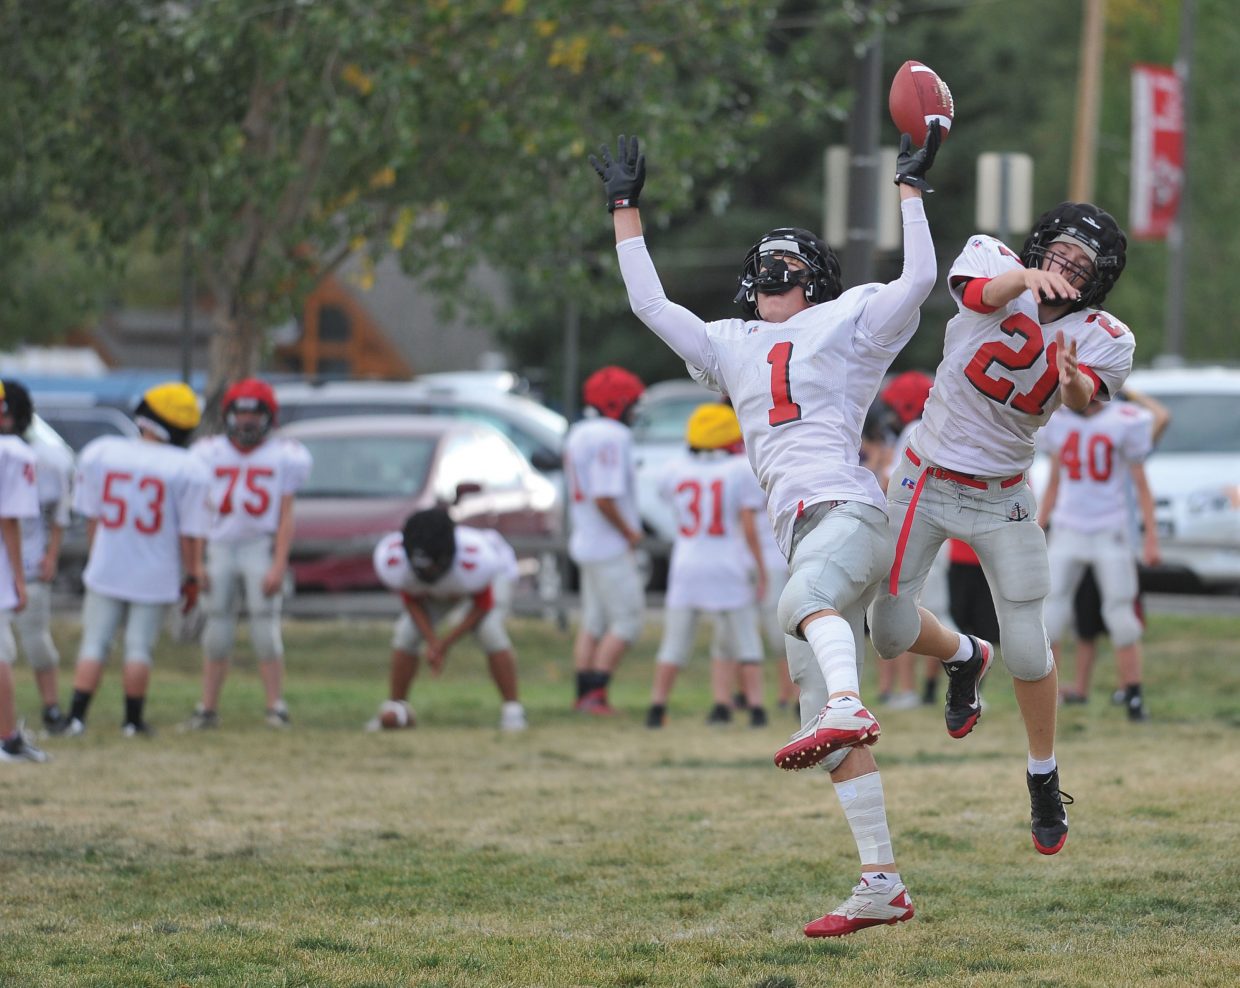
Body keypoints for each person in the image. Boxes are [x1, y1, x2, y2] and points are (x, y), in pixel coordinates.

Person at [593, 126, 939, 937]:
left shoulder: (850, 320)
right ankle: (882, 880)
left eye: (785, 264)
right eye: (763, 264)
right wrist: (623, 210)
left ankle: (863, 696)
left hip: (849, 510)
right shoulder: (730, 342)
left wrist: (911, 189)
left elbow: (919, 276)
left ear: (814, 278)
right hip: (802, 530)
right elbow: (649, 304)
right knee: (820, 730)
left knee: (803, 608)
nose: (767, 274)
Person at [869, 201, 1134, 856]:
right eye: (1064, 253)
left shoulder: (1106, 333)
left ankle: (1043, 775)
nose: (1070, 268)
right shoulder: (994, 259)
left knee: (1025, 643)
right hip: (925, 477)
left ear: (1097, 280)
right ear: (1041, 246)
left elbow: (1084, 398)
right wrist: (1024, 283)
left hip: (1003, 494)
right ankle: (964, 656)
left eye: (1084, 265)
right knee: (888, 632)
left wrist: (1071, 384)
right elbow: (977, 295)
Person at [55, 382, 210, 737]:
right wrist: (194, 575)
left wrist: (98, 557)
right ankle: (132, 721)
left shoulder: (104, 451)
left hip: (108, 563)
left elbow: (92, 517)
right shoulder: (188, 467)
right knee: (140, 647)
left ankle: (76, 718)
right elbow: (191, 534)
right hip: (155, 570)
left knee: (95, 642)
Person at [184, 378, 312, 730]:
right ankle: (207, 708)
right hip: (220, 546)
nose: (246, 424)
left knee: (265, 630)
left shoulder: (285, 455)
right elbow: (195, 510)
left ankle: (276, 706)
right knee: (217, 630)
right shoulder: (208, 452)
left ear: (268, 417)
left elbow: (286, 514)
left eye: (254, 416)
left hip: (259, 546)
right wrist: (196, 561)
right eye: (240, 415)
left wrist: (279, 562)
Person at [1038, 394, 1160, 722]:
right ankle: (1049, 696)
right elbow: (1053, 482)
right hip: (1069, 528)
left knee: (1121, 614)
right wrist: (1039, 527)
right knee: (1050, 615)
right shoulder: (1066, 420)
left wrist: (1151, 537)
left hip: (1108, 530)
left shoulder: (1124, 419)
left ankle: (1133, 696)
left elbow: (1141, 485)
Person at [646, 403, 768, 729]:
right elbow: (748, 525)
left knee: (674, 643)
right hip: (728, 562)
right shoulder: (740, 469)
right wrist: (761, 568)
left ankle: (656, 707)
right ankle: (756, 709)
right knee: (744, 638)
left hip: (687, 563)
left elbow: (670, 502)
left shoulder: (675, 468)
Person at [370, 508, 526, 732]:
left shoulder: (480, 561)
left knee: (489, 629)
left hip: (494, 578)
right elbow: (412, 601)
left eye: (434, 564)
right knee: (406, 632)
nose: (429, 571)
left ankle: (513, 710)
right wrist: (432, 641)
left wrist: (444, 644)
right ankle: (396, 706)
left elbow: (482, 606)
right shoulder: (400, 562)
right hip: (454, 583)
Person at [563, 365, 646, 715]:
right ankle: (595, 694)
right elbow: (604, 495)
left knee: (594, 621)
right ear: (616, 403)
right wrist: (628, 530)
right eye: (631, 404)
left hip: (585, 540)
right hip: (607, 544)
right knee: (628, 620)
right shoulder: (610, 435)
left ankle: (584, 693)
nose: (634, 411)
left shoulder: (579, 432)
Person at [1, 381, 74, 733]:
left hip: (27, 561)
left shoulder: (45, 459)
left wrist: (52, 554)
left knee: (35, 642)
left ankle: (51, 710)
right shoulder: (15, 454)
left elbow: (56, 512)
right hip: (11, 566)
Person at [873, 371, 946, 710]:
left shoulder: (912, 432)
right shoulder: (940, 427)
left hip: (915, 533)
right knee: (934, 613)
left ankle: (909, 689)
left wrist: (879, 462)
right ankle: (934, 687)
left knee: (904, 609)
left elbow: (892, 480)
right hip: (940, 532)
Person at [0, 382, 48, 763]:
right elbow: (9, 519)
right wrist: (18, 576)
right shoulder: (13, 451)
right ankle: (6, 737)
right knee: (1, 653)